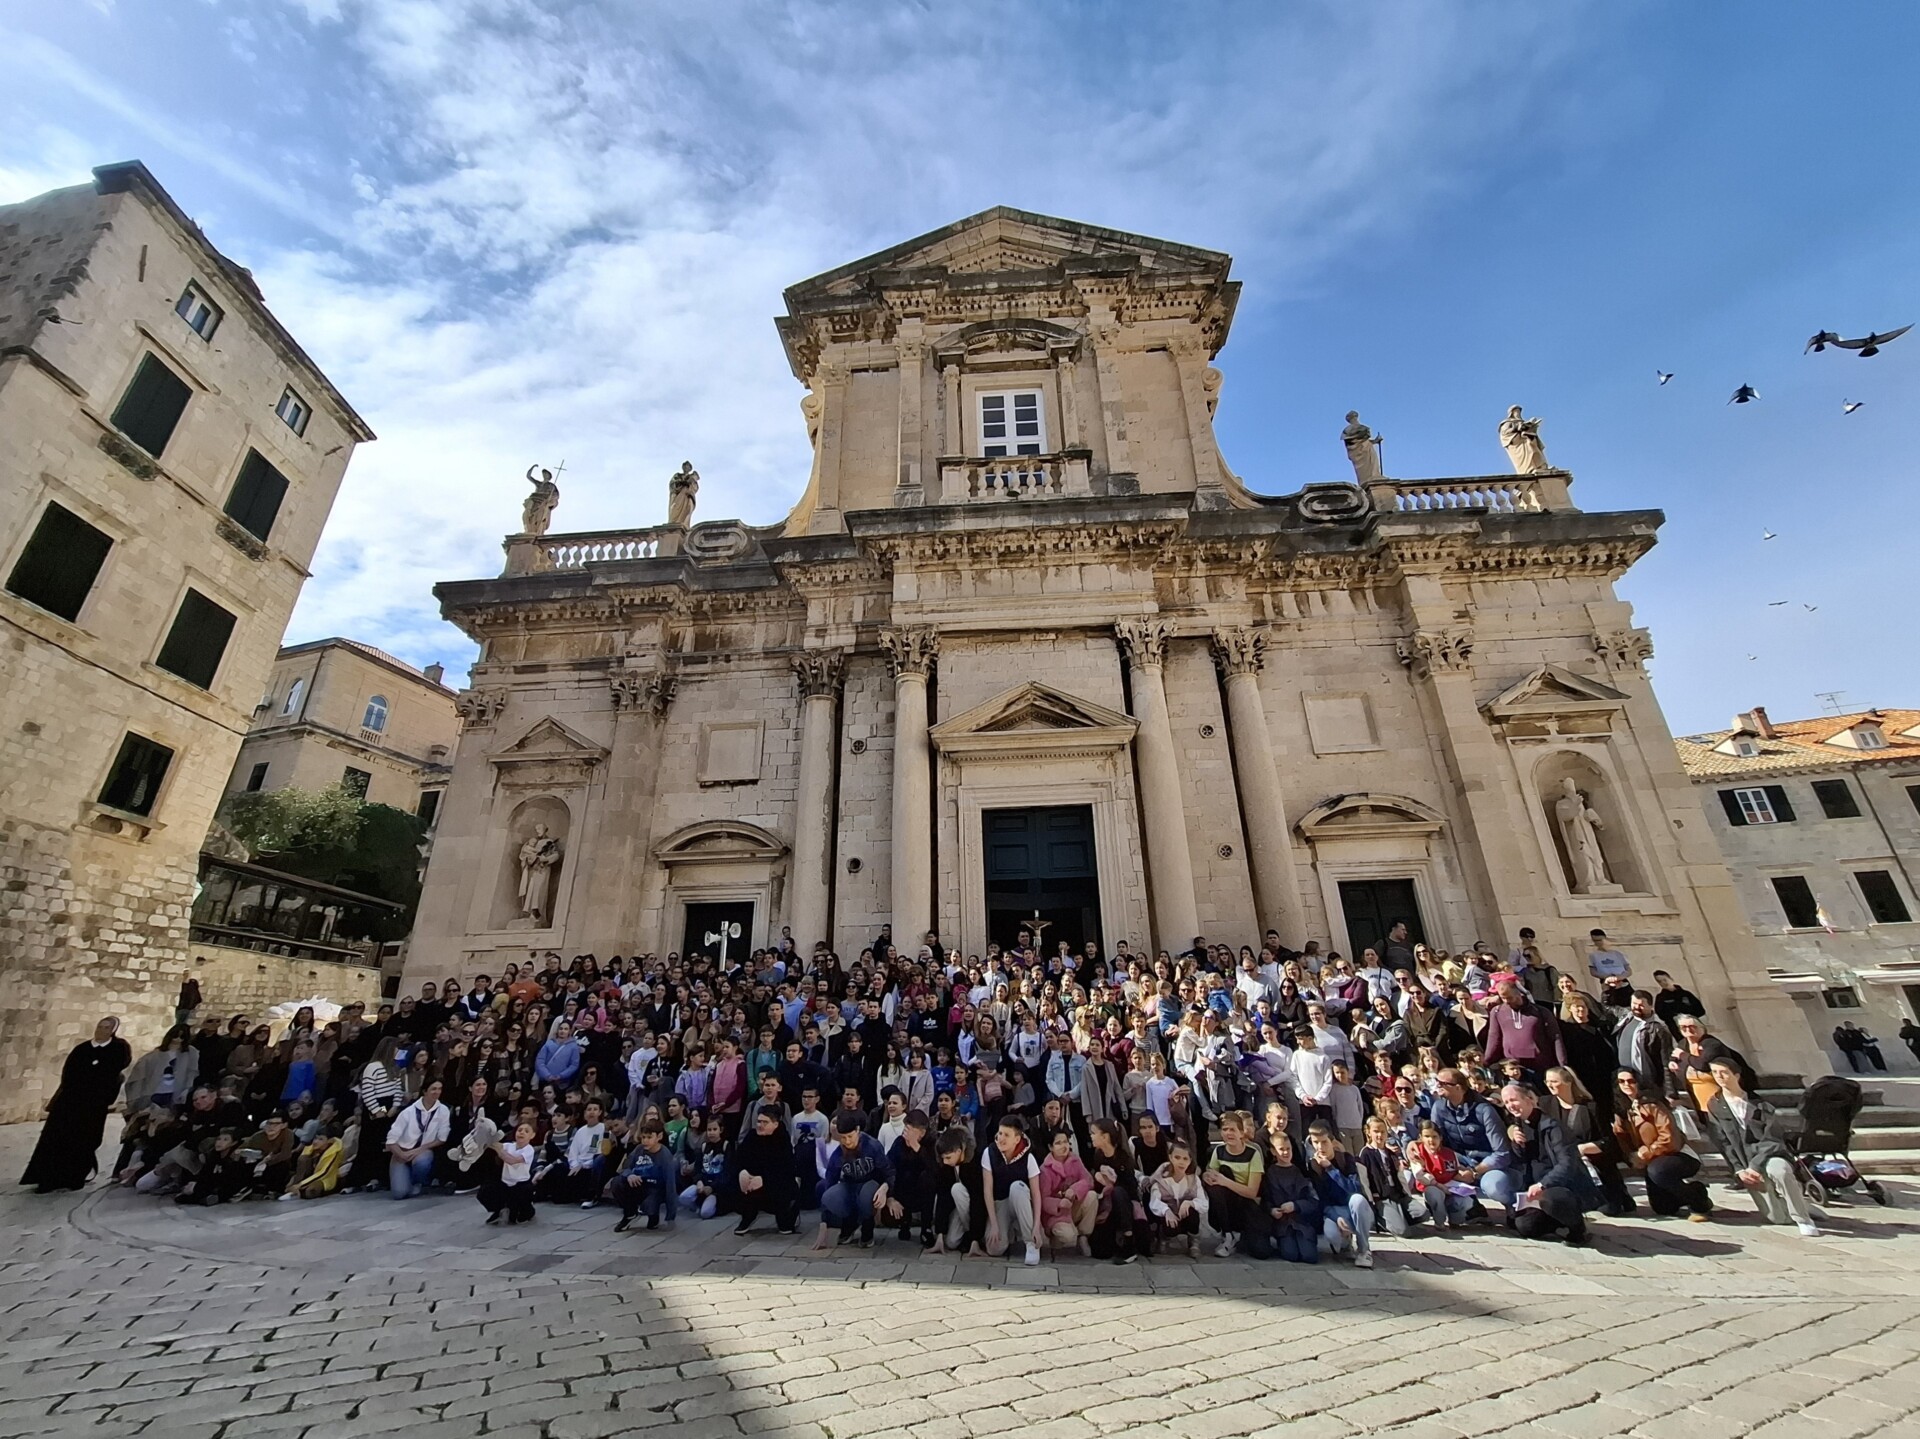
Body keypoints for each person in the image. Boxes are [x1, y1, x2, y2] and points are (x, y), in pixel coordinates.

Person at [1705, 1058, 1819, 1237]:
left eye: (1724, 1072)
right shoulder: (1715, 1106)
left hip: (1770, 1155)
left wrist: (1755, 1166)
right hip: (1745, 1162)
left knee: (1780, 1171)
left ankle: (1803, 1218)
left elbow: (1772, 1138)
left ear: (1736, 1075)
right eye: (1715, 1072)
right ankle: (1801, 1204)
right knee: (1777, 1218)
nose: (1719, 1077)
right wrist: (1739, 1170)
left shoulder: (1760, 1104)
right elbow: (1723, 1142)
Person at [22, 1017, 131, 1193]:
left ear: (112, 1030)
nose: (100, 1031)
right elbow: (69, 1075)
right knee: (56, 1140)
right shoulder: (82, 1050)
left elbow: (113, 1073)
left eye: (106, 1028)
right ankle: (48, 1178)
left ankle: (74, 1177)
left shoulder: (117, 1049)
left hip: (94, 1106)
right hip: (69, 1103)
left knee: (84, 1141)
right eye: (99, 1026)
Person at [1499, 1083, 1593, 1247]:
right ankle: (1557, 1221)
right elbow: (1522, 1161)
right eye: (1506, 1102)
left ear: (1528, 1099)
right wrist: (1516, 1144)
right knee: (1524, 1226)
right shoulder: (1520, 1124)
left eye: (1513, 1100)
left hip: (1562, 1187)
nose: (1510, 1106)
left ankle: (1577, 1228)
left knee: (1551, 1199)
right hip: (1534, 1189)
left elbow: (1567, 1164)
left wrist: (1543, 1185)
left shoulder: (1553, 1126)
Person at [1612, 1069, 1711, 1220]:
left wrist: (1646, 1153)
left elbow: (1669, 1138)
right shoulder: (1622, 1109)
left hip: (1676, 1154)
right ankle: (1691, 1193)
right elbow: (1622, 1139)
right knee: (1663, 1208)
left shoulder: (1653, 1104)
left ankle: (1698, 1200)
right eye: (1622, 1081)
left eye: (1631, 1081)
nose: (1627, 1085)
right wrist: (1631, 1156)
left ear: (1638, 1083)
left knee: (1657, 1172)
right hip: (1650, 1160)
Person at [1542, 1066, 1632, 1217]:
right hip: (1564, 1165)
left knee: (1607, 1209)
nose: (1550, 1085)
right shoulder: (1545, 1104)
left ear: (1568, 1082)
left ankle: (1619, 1195)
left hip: (1593, 1164)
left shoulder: (1590, 1107)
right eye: (1547, 1081)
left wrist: (1586, 1148)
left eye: (1554, 1081)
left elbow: (1609, 1142)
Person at [815, 1109, 893, 1249]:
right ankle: (849, 1224)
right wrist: (824, 1224)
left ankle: (867, 1229)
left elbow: (888, 1172)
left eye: (850, 1136)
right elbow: (830, 1181)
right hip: (850, 1186)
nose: (847, 1141)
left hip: (872, 1186)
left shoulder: (873, 1146)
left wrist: (885, 1188)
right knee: (828, 1196)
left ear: (857, 1130)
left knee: (865, 1196)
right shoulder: (839, 1153)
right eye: (843, 1138)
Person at [1304, 1124, 1374, 1268]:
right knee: (1332, 1235)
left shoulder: (1346, 1159)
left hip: (1356, 1207)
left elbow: (1353, 1189)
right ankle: (1346, 1243)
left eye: (1324, 1142)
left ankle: (1364, 1250)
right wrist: (1336, 1217)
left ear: (1332, 1142)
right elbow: (1320, 1201)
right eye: (1315, 1142)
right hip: (1335, 1210)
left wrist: (1330, 1168)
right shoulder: (1313, 1166)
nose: (1320, 1147)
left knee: (1357, 1200)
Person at [982, 1116, 1042, 1265]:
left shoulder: (1029, 1158)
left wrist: (1036, 1226)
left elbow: (1036, 1194)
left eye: (1006, 1135)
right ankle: (1009, 1231)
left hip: (1021, 1202)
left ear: (1017, 1139)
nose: (1001, 1138)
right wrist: (994, 1223)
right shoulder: (989, 1153)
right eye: (1000, 1133)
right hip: (1000, 1203)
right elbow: (987, 1191)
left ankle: (1030, 1243)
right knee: (994, 1248)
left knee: (1017, 1187)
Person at [733, 1106, 800, 1235]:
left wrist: (764, 1180)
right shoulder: (752, 1136)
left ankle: (786, 1220)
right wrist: (743, 1172)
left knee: (785, 1226)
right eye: (759, 1121)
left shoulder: (783, 1139)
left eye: (765, 1122)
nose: (760, 1125)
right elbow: (739, 1159)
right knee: (740, 1181)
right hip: (753, 1182)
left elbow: (786, 1171)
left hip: (779, 1187)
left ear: (775, 1124)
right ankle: (747, 1218)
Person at [386, 1079, 450, 1200]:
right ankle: (405, 1181)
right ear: (425, 1091)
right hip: (402, 1151)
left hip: (423, 1151)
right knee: (399, 1194)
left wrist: (418, 1150)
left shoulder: (443, 1110)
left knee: (423, 1162)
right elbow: (391, 1139)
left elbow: (442, 1138)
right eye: (433, 1089)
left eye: (439, 1089)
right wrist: (401, 1154)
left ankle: (418, 1182)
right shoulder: (408, 1112)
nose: (437, 1092)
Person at [1037, 1129, 1096, 1257]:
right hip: (1055, 1215)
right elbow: (1042, 1199)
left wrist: (1074, 1190)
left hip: (1073, 1206)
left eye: (1065, 1142)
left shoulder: (1075, 1160)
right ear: (1050, 1147)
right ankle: (1054, 1241)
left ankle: (1083, 1235)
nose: (1064, 1146)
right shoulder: (1045, 1170)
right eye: (1058, 1143)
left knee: (1092, 1196)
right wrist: (1059, 1203)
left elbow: (1088, 1180)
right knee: (1068, 1237)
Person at [1146, 1139, 1208, 1258]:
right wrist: (1166, 1211)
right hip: (1170, 1217)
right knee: (1168, 1224)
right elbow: (1154, 1202)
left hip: (1185, 1216)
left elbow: (1204, 1203)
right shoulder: (1161, 1181)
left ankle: (1193, 1241)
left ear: (1190, 1161)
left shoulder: (1193, 1180)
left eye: (1185, 1159)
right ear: (1170, 1157)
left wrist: (1190, 1203)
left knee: (1193, 1212)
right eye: (1177, 1157)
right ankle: (1164, 1237)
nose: (1181, 1162)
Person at [612, 1125, 677, 1232]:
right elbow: (626, 1167)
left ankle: (653, 1215)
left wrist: (670, 1216)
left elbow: (670, 1184)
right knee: (617, 1183)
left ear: (659, 1136)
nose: (645, 1141)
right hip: (639, 1184)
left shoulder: (665, 1155)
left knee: (649, 1207)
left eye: (649, 1137)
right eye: (643, 1137)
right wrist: (629, 1175)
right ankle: (630, 1213)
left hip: (655, 1189)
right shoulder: (638, 1149)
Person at [480, 1121, 538, 1225]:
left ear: (532, 1135)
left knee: (515, 1216)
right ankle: (499, 1210)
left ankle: (527, 1212)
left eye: (526, 1131)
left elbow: (512, 1160)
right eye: (519, 1130)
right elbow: (495, 1145)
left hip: (521, 1184)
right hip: (506, 1183)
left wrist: (500, 1151)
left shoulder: (529, 1150)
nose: (521, 1133)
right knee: (485, 1191)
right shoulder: (509, 1146)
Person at [1651, 970, 1706, 1037]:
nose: (1663, 983)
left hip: (1694, 1027)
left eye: (1664, 980)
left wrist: (1688, 1015)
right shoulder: (1661, 998)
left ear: (1670, 978)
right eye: (1659, 981)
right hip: (1677, 1031)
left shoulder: (1686, 994)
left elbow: (1700, 1010)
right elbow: (1661, 1014)